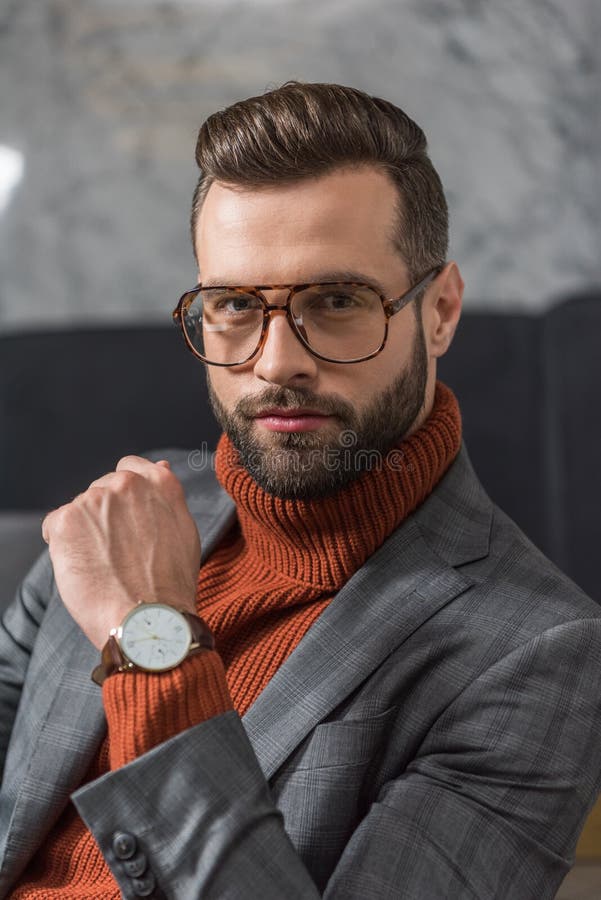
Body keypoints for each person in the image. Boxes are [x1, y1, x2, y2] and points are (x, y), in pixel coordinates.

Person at [1, 81, 599, 900]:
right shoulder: (121, 520)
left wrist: (154, 639)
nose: (276, 361)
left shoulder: (540, 653)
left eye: (337, 301)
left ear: (441, 311)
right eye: (234, 306)